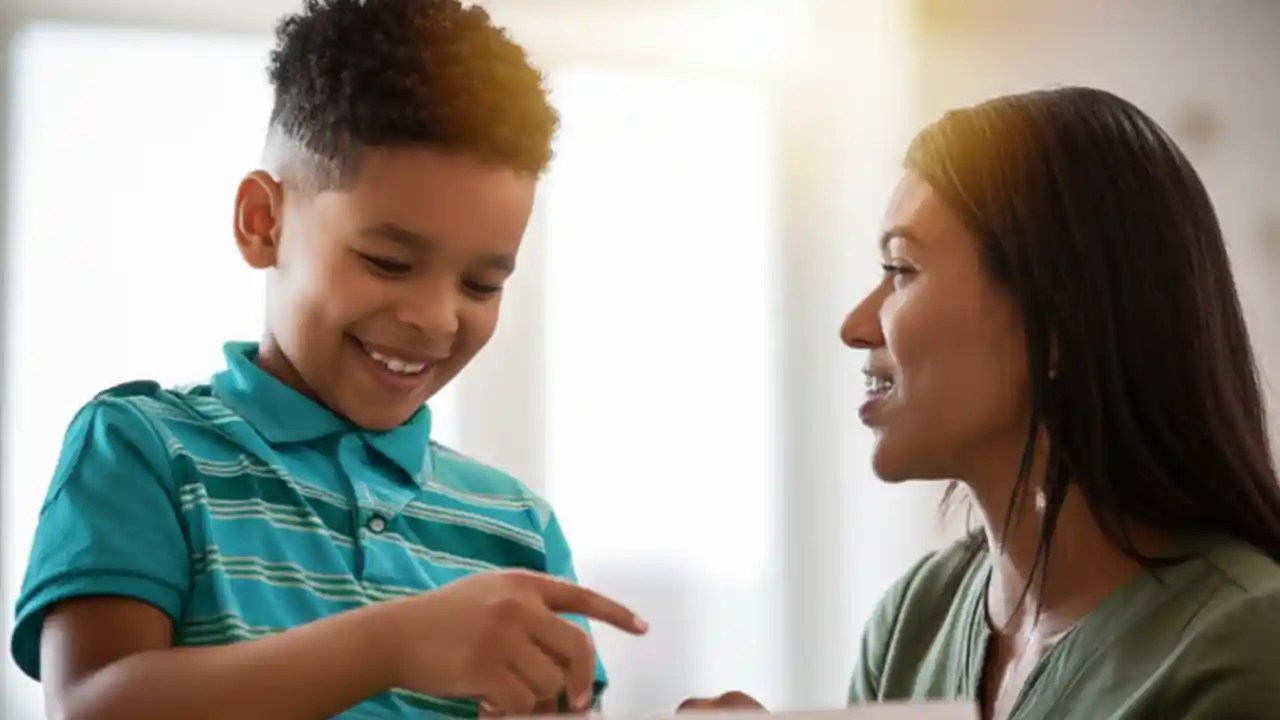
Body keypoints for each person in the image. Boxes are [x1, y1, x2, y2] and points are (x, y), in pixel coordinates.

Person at [9, 1, 647, 718]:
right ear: (263, 223)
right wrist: (394, 644)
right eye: (388, 261)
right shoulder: (143, 448)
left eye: (480, 284)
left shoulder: (517, 528)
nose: (434, 318)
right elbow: (92, 707)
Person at [679, 87, 1280, 718]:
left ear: (1054, 327)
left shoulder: (1247, 648)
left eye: (902, 270)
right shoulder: (915, 619)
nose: (856, 325)